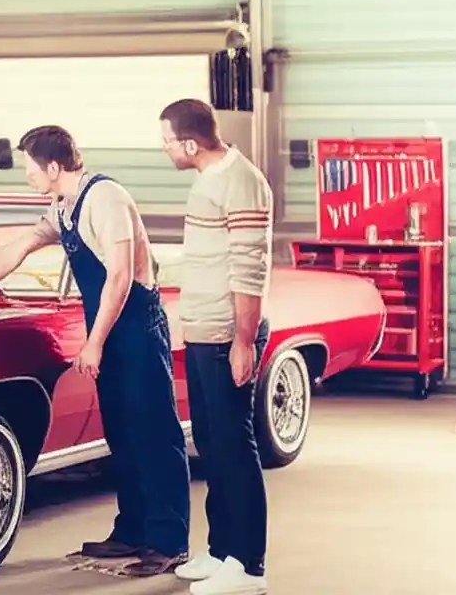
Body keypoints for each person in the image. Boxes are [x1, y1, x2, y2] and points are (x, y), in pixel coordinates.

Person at [0, 125, 191, 577]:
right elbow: (18, 249)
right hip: (109, 327)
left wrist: (94, 342)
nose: (27, 176)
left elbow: (121, 276)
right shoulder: (63, 204)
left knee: (153, 432)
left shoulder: (105, 198)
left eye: (31, 168)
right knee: (122, 433)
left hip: (137, 326)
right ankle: (133, 530)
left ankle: (169, 541)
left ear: (53, 167)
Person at [158, 99, 272, 595]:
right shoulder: (207, 178)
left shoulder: (241, 181)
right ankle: (223, 549)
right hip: (206, 332)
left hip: (229, 335)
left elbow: (250, 268)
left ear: (189, 143)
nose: (163, 148)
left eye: (166, 140)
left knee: (233, 447)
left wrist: (243, 340)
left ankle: (248, 566)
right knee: (210, 443)